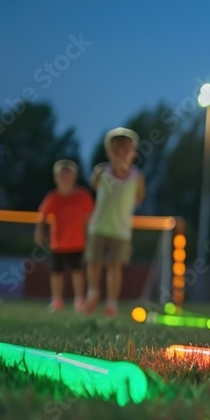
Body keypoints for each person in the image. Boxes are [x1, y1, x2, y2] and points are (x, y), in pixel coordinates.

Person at [85, 128, 145, 317]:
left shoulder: (137, 177)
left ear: (133, 153)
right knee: (93, 263)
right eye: (116, 149)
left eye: (126, 149)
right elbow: (93, 186)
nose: (121, 153)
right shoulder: (101, 172)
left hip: (121, 231)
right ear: (109, 152)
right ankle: (93, 290)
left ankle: (111, 302)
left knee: (115, 266)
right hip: (98, 227)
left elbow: (139, 197)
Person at [35, 160, 94, 313]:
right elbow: (42, 215)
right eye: (62, 176)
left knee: (78, 272)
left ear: (74, 177)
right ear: (56, 178)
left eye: (69, 176)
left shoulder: (83, 196)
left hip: (79, 242)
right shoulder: (53, 197)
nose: (65, 179)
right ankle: (57, 300)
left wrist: (90, 238)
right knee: (56, 273)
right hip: (58, 243)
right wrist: (39, 231)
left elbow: (89, 219)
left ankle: (79, 300)